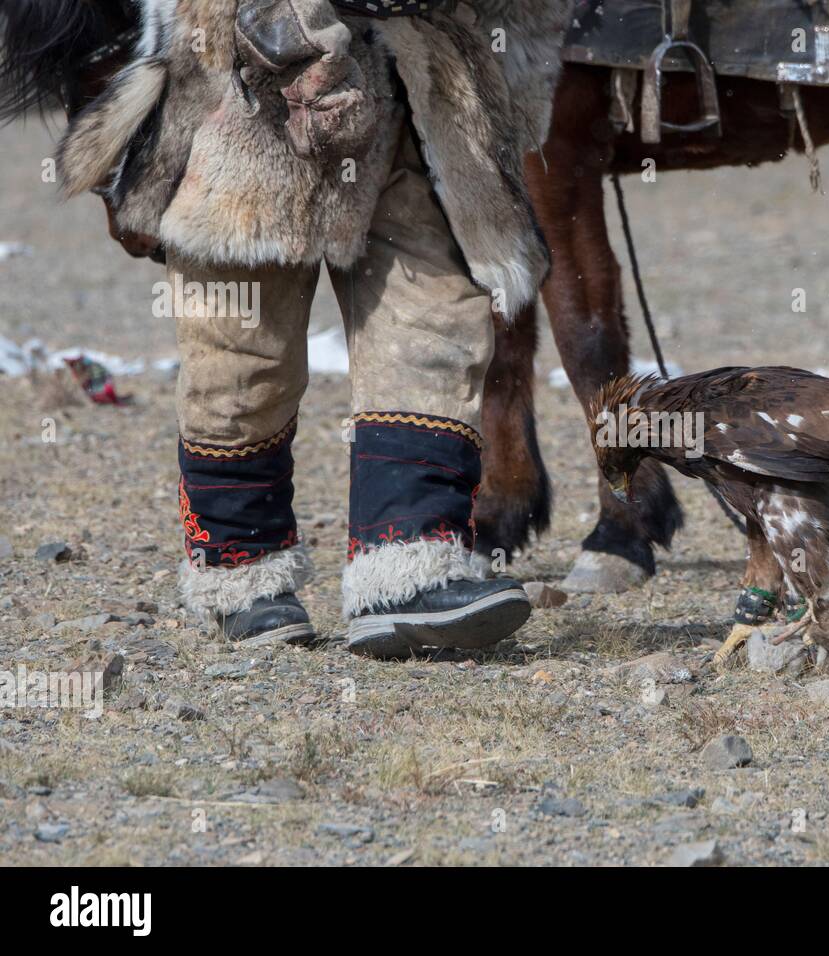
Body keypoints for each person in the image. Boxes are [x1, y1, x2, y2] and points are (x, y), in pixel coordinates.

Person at [54, 0, 566, 656]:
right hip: (249, 83)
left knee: (435, 324)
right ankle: (240, 572)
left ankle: (409, 567)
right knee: (242, 353)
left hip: (421, 85)